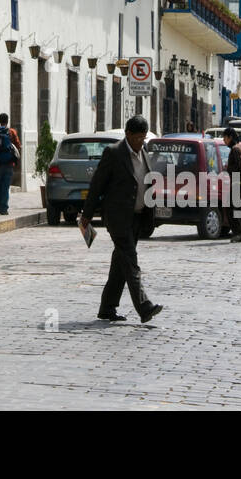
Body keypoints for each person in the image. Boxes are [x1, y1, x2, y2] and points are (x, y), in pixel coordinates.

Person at [78, 115, 162, 324]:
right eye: (137, 138)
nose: (140, 142)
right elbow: (97, 185)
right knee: (131, 263)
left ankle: (107, 308)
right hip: (118, 218)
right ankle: (144, 307)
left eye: (143, 138)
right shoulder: (114, 153)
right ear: (128, 134)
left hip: (137, 218)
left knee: (120, 264)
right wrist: (87, 215)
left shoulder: (144, 153)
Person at [0, 112, 21, 215]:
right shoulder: (12, 132)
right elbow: (18, 145)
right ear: (7, 121)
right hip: (9, 163)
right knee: (5, 186)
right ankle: (4, 208)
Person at [222, 127, 241, 243]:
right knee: (240, 209)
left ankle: (239, 231)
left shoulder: (235, 149)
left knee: (230, 208)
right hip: (239, 183)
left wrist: (227, 169)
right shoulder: (236, 148)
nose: (224, 140)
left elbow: (238, 166)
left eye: (224, 138)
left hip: (238, 184)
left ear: (230, 137)